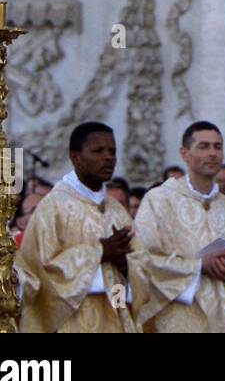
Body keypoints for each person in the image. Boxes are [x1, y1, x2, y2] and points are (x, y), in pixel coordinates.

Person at [130, 121, 225, 333]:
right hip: (178, 318)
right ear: (184, 153)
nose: (212, 153)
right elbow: (141, 260)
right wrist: (198, 267)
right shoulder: (159, 200)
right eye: (203, 146)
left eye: (218, 147)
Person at [18, 122, 138, 332]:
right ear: (75, 157)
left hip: (116, 319)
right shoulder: (53, 207)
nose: (108, 157)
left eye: (112, 151)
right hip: (72, 322)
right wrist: (100, 252)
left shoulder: (116, 210)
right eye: (98, 151)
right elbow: (40, 272)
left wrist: (126, 266)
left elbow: (135, 270)